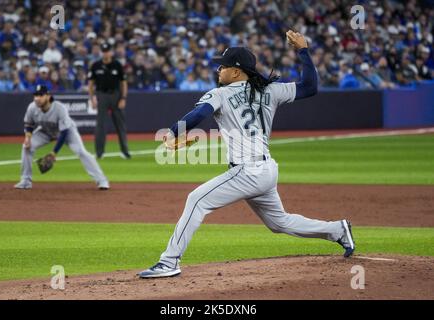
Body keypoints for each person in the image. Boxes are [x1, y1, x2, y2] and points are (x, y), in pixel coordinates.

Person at [138, 30, 355, 278]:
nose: (219, 70)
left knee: (196, 200)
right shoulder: (270, 91)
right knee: (279, 223)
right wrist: (303, 50)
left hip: (247, 171)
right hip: (267, 169)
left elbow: (197, 116)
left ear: (237, 71)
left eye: (224, 66)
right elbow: (310, 86)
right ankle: (338, 230)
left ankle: (169, 262)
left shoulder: (220, 93)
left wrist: (172, 133)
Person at [14, 85, 110, 190]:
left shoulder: (59, 108)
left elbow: (63, 133)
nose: (37, 98)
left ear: (48, 96)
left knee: (81, 152)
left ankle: (102, 180)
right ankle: (25, 181)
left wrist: (54, 153)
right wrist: (28, 138)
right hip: (46, 131)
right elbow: (29, 124)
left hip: (67, 132)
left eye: (40, 95)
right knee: (26, 147)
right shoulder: (32, 107)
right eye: (35, 95)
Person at [88, 42, 130, 159]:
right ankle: (99, 152)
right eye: (104, 51)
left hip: (115, 95)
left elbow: (124, 83)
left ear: (111, 52)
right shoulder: (95, 65)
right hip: (102, 95)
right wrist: (92, 99)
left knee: (120, 124)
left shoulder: (117, 65)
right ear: (102, 52)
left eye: (107, 51)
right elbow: (90, 84)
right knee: (100, 125)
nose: (106, 53)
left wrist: (123, 98)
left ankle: (125, 151)